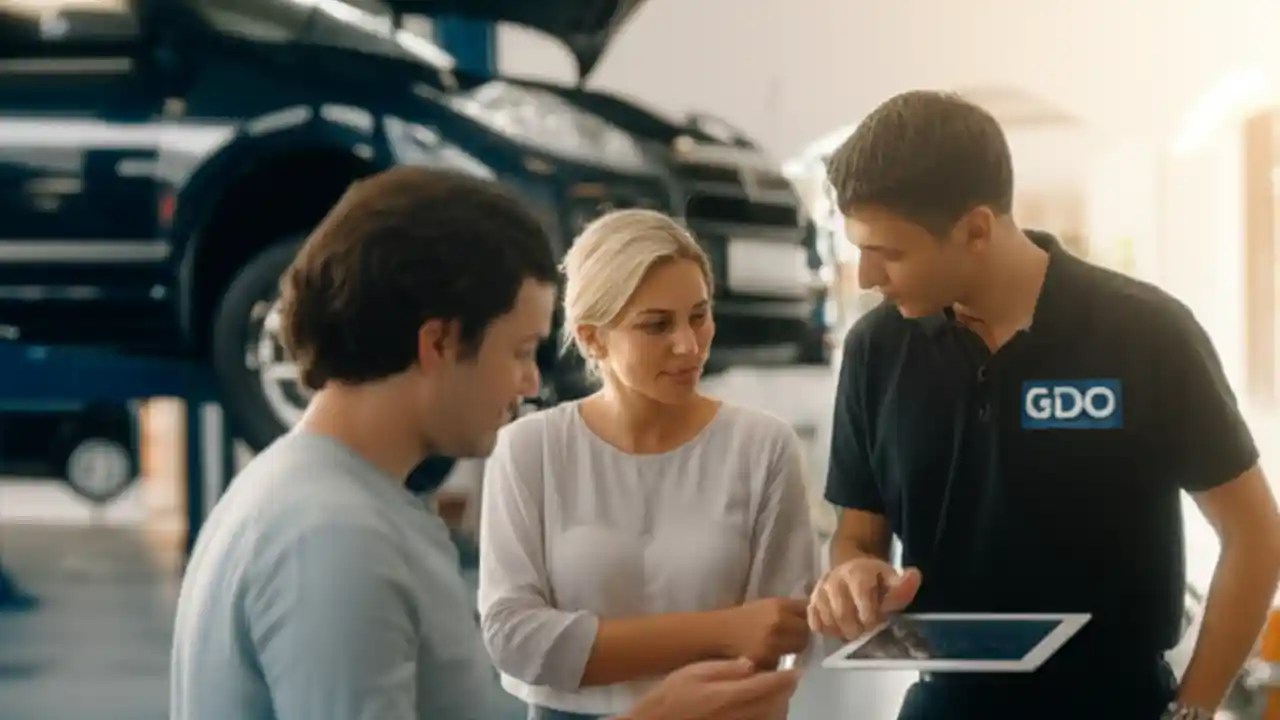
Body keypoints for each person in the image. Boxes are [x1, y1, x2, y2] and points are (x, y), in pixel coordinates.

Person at [168, 167, 802, 720]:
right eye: (521, 350)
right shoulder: (335, 540)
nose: (530, 381)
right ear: (439, 344)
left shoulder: (315, 498)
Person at [808, 90, 1280, 720]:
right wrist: (851, 576)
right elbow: (857, 537)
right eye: (859, 248)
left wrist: (1193, 708)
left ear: (976, 228)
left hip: (1114, 703)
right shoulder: (877, 349)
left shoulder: (1145, 334)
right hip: (944, 702)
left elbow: (1254, 534)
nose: (865, 276)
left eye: (888, 252)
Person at [477, 209, 820, 720]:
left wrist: (583, 648)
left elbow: (778, 635)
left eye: (699, 315)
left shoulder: (763, 447)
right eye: (656, 325)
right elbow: (515, 639)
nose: (688, 344)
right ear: (593, 338)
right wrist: (724, 630)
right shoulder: (530, 449)